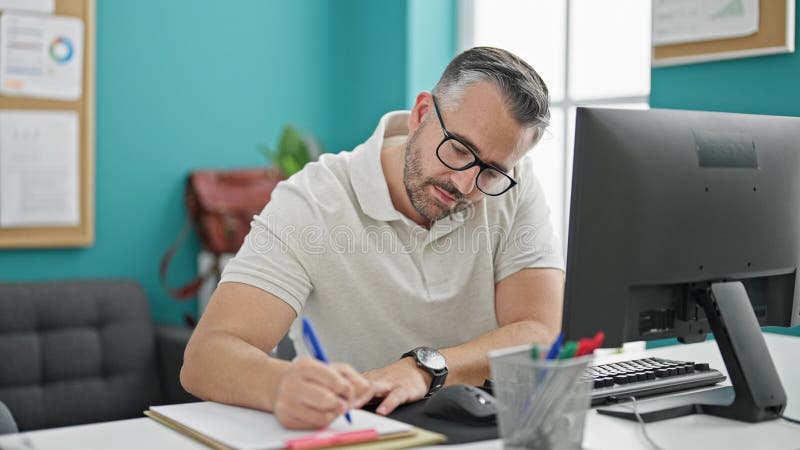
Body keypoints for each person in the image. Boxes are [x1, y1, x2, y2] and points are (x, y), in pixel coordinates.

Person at [180, 47, 564, 430]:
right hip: (361, 430)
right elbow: (206, 357)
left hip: (483, 429)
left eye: (492, 172)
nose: (465, 183)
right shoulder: (311, 201)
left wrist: (425, 370)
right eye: (459, 149)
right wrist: (279, 386)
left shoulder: (514, 186)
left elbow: (541, 332)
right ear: (421, 114)